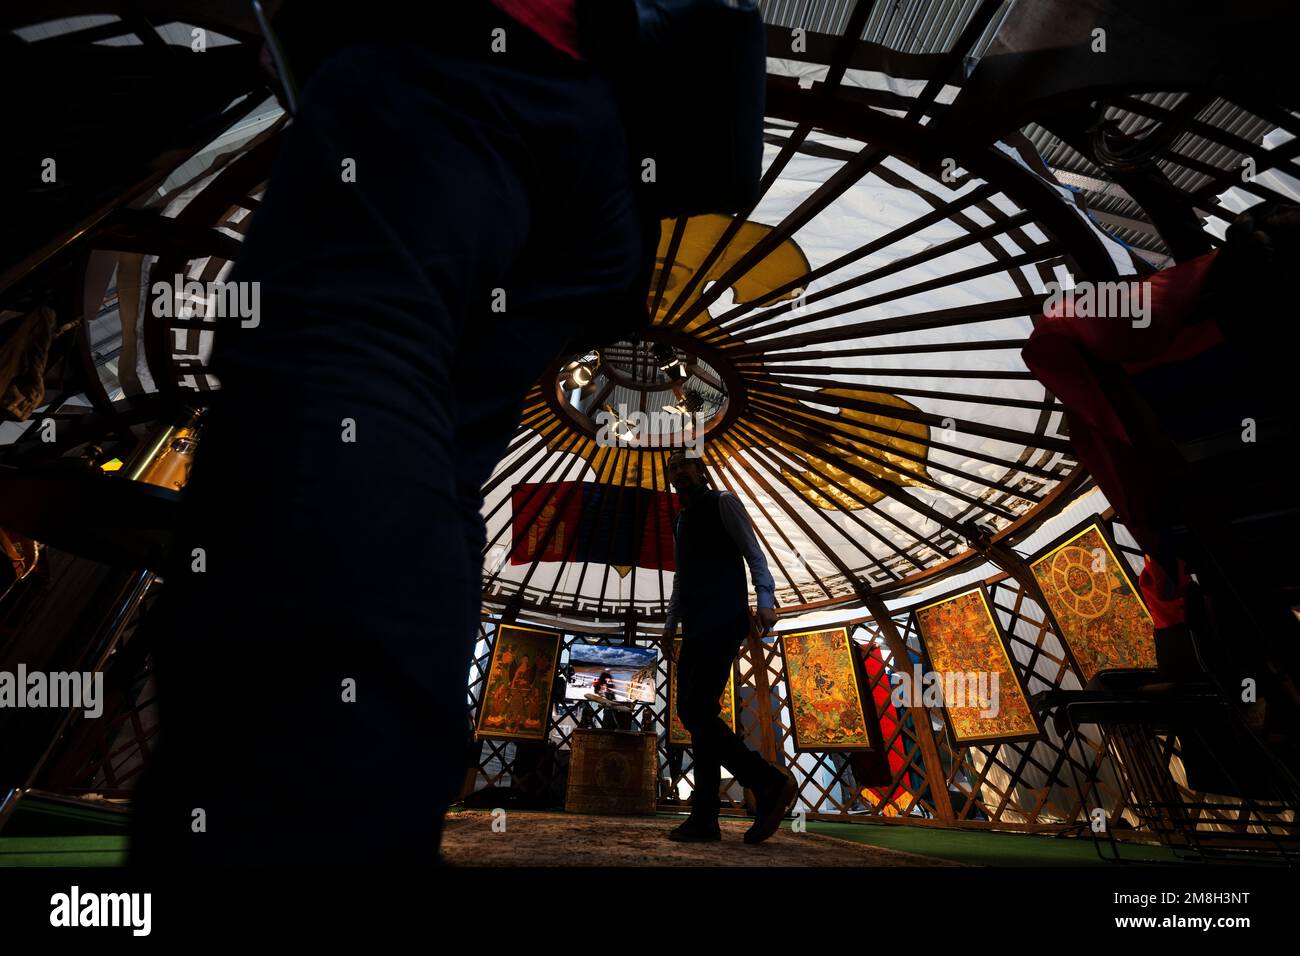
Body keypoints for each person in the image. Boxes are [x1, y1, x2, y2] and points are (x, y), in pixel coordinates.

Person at [130, 0, 658, 864]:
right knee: (441, 445)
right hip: (583, 150)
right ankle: (369, 803)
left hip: (458, 59)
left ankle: (301, 814)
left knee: (334, 368)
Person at [661, 449, 798, 844]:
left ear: (700, 470)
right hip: (695, 625)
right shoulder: (680, 520)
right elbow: (681, 579)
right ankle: (705, 818)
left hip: (724, 618)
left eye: (685, 463)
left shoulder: (723, 503)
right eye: (672, 467)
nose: (678, 470)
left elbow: (754, 553)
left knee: (693, 708)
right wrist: (670, 626)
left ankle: (768, 781)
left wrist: (766, 600)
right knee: (697, 714)